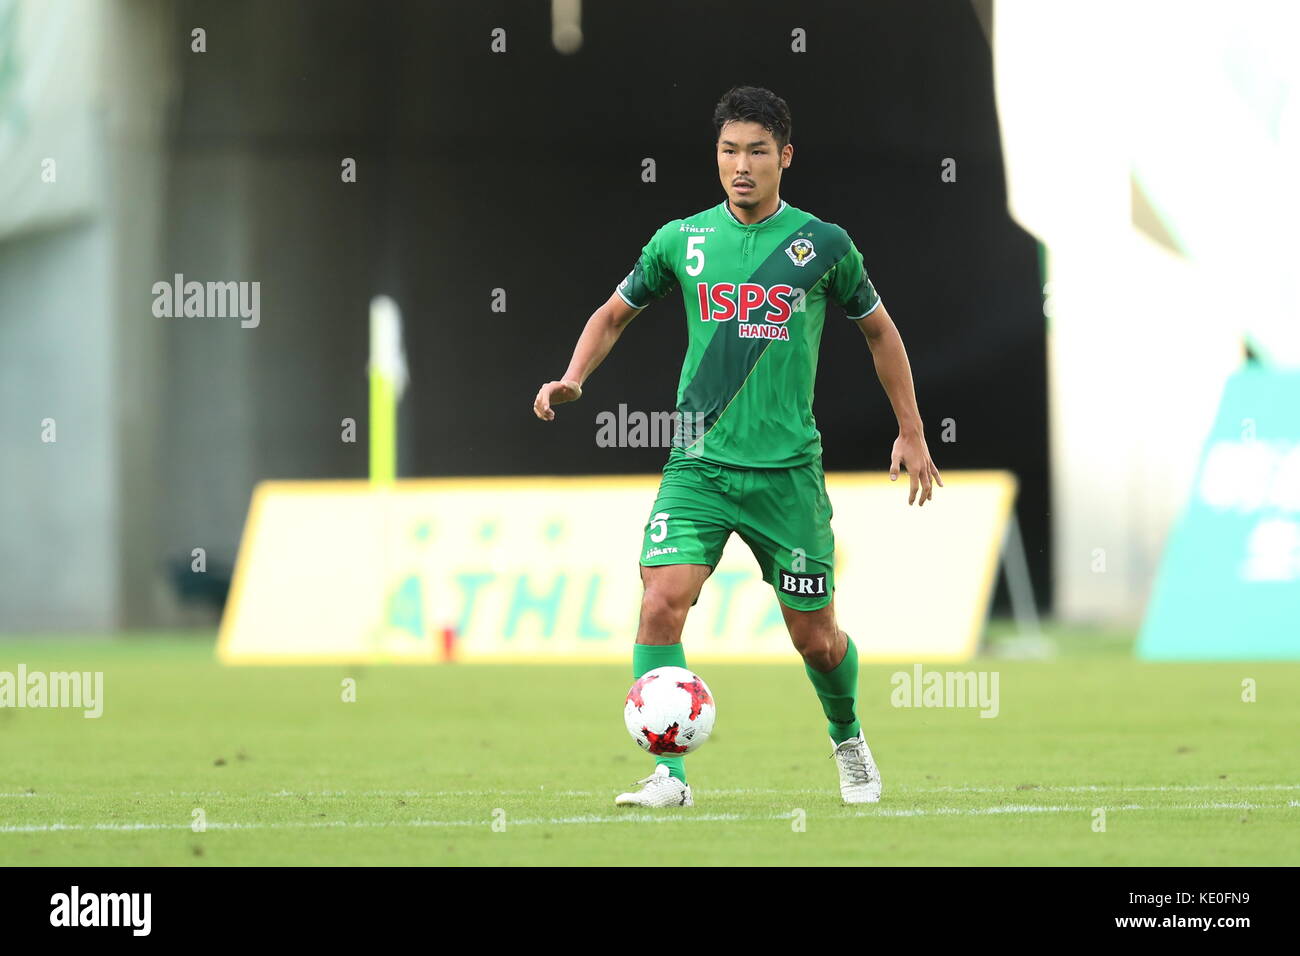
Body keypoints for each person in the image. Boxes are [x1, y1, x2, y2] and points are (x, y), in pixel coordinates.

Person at [533, 85, 942, 807]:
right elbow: (613, 313)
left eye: (757, 150)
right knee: (661, 598)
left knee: (815, 639)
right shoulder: (681, 241)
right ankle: (670, 774)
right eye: (728, 151)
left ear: (785, 157)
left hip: (787, 475)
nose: (741, 165)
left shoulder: (824, 246)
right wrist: (573, 376)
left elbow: (879, 330)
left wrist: (911, 430)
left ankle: (846, 735)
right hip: (699, 463)